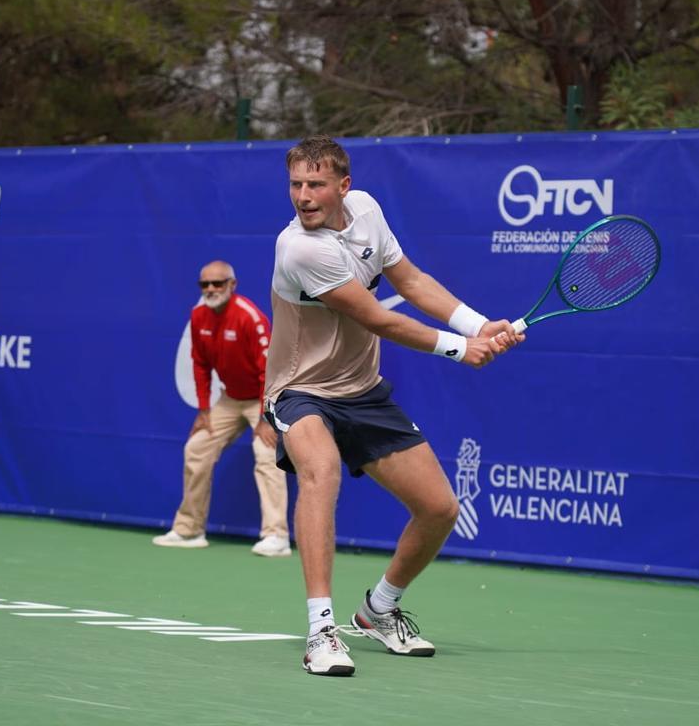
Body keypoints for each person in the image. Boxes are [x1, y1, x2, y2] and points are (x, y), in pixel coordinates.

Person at [264, 135, 523, 676]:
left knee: (439, 509)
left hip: (362, 390)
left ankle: (379, 610)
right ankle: (321, 631)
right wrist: (460, 349)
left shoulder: (366, 212)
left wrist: (478, 325)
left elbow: (411, 280)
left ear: (344, 186)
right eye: (295, 184)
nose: (303, 196)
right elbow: (377, 318)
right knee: (321, 472)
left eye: (315, 184)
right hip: (300, 389)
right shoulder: (300, 248)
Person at [153, 260, 291, 557]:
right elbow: (200, 365)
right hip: (230, 399)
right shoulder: (198, 315)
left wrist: (266, 418)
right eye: (205, 284)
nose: (211, 289)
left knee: (267, 453)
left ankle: (276, 536)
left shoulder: (250, 317)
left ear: (232, 285)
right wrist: (204, 410)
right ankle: (190, 530)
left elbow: (268, 372)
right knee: (196, 448)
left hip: (262, 398)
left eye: (217, 283)